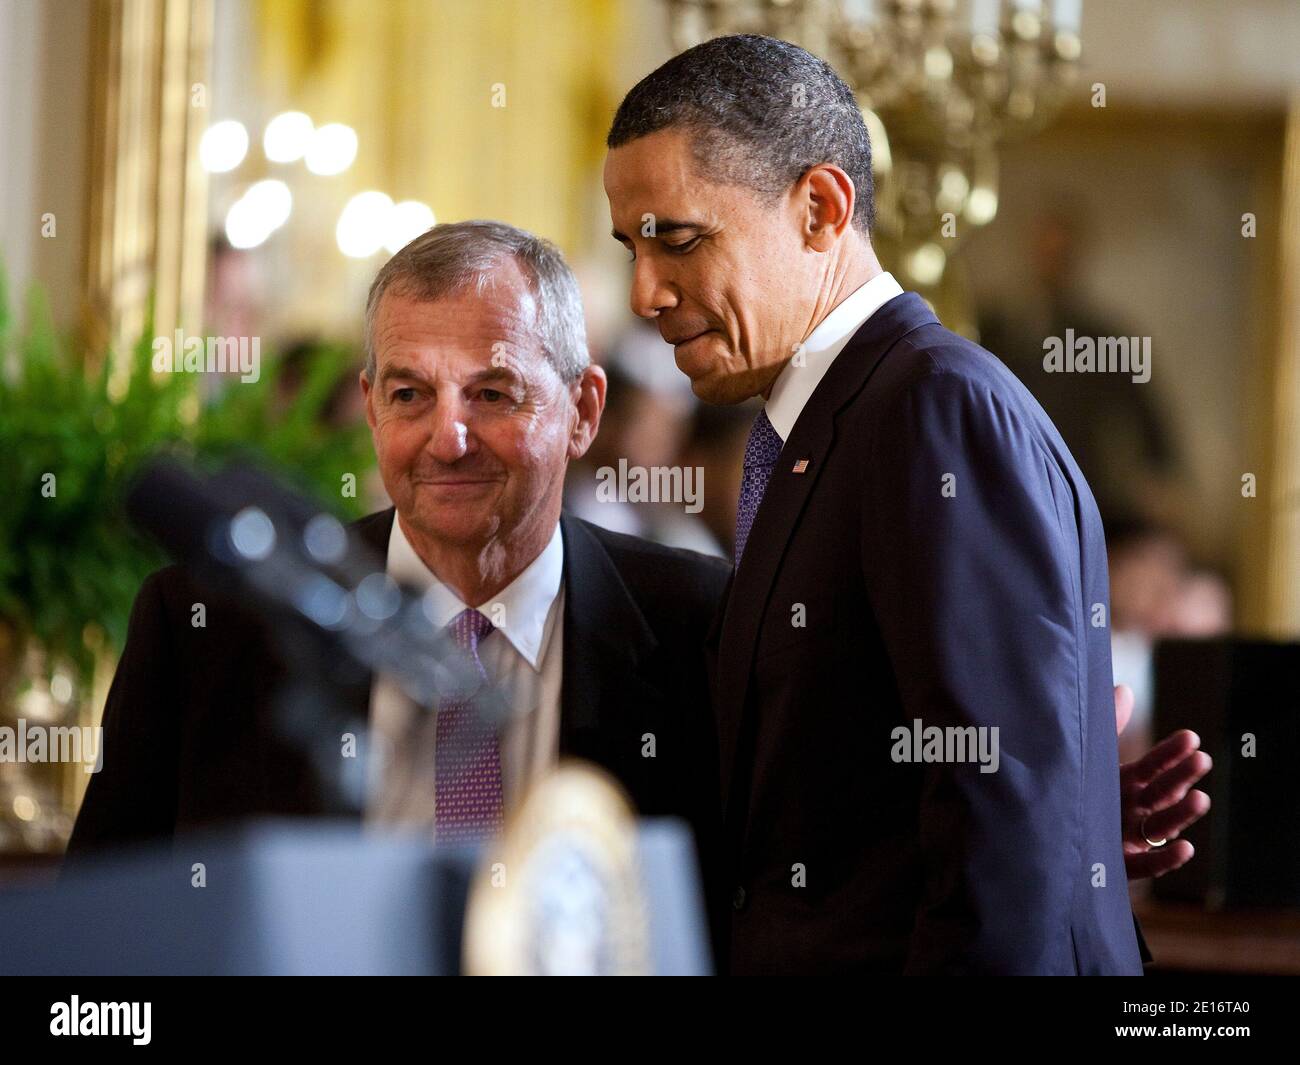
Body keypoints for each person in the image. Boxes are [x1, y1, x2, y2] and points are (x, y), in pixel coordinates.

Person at [603, 33, 1208, 973]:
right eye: (629, 248)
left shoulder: (934, 409)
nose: (645, 291)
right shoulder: (830, 423)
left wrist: (1060, 827)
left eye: (677, 239)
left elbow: (1003, 835)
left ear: (820, 208)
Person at [66, 221, 729, 944]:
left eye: (494, 393)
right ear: (371, 403)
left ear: (583, 410)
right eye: (410, 393)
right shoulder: (205, 622)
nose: (448, 438)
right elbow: (103, 927)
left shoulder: (702, 625)